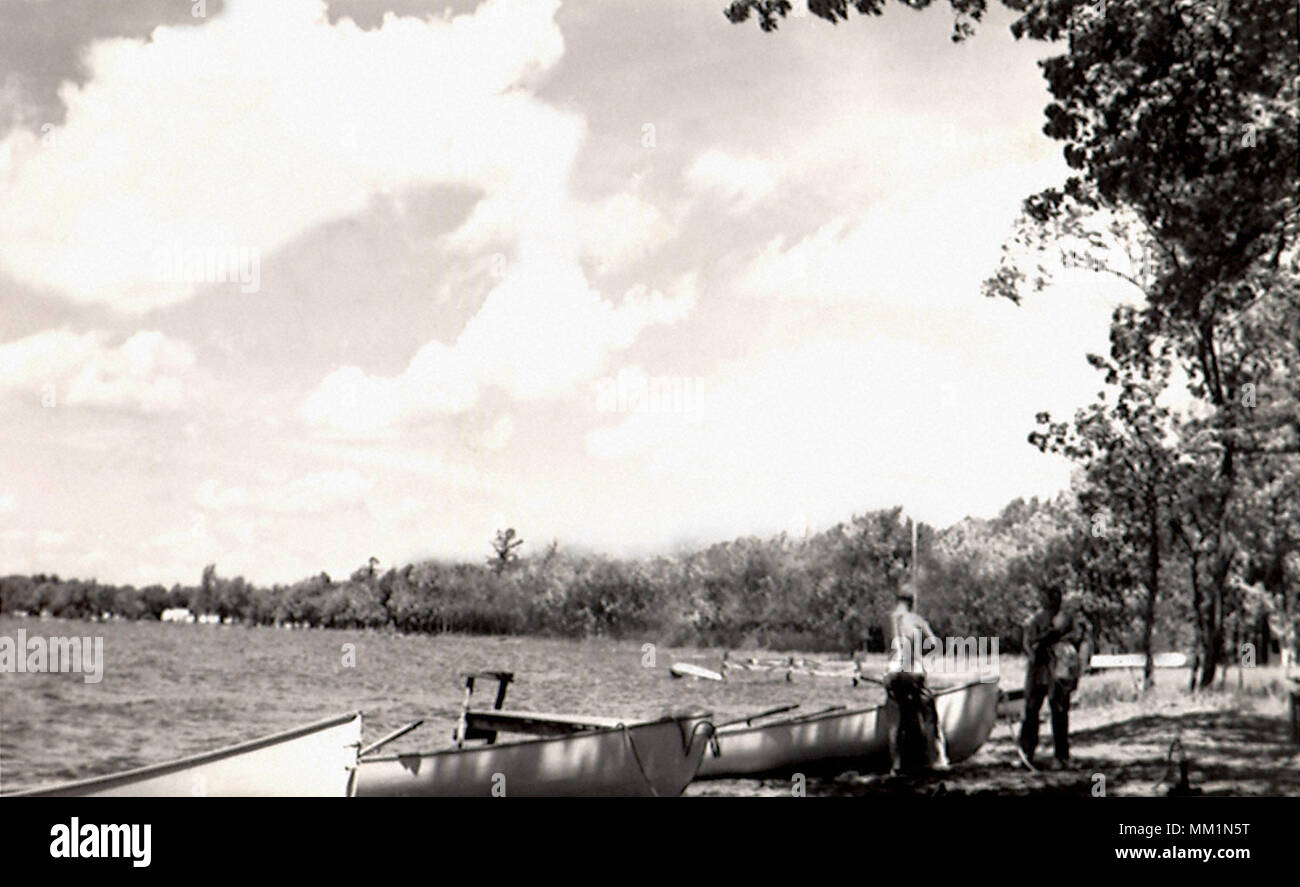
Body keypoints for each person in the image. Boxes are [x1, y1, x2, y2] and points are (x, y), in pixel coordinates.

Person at [885, 583, 949, 774]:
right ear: (912, 602)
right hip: (914, 670)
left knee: (897, 721)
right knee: (930, 716)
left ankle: (897, 765)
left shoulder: (888, 619)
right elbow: (934, 645)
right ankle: (938, 760)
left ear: (897, 600)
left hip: (893, 672)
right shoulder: (915, 619)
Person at [1018, 587, 1078, 770]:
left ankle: (1061, 756)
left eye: (1055, 598)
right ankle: (1026, 754)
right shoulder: (1035, 620)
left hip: (1058, 669)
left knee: (1059, 713)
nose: (1052, 602)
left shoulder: (1067, 619)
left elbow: (1075, 640)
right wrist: (1041, 642)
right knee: (1031, 712)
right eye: (1049, 598)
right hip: (1038, 670)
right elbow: (1029, 645)